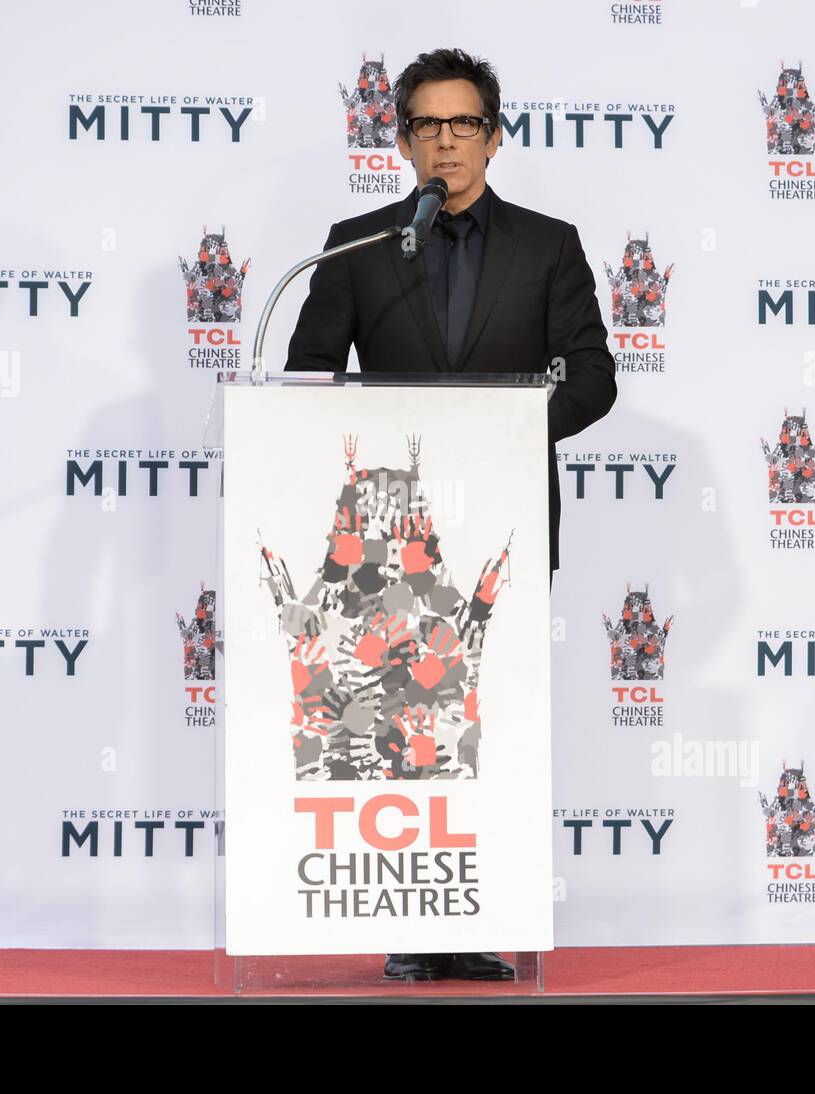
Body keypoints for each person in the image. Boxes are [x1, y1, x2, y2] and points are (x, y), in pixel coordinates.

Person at [284, 47, 617, 981]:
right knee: (401, 724)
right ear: (399, 140)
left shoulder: (548, 245)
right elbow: (311, 378)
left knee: (490, 723)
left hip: (504, 525)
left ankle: (484, 914)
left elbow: (592, 376)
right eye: (426, 125)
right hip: (388, 546)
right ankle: (414, 923)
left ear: (495, 136)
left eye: (463, 123)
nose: (446, 142)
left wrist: (502, 431)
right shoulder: (356, 243)